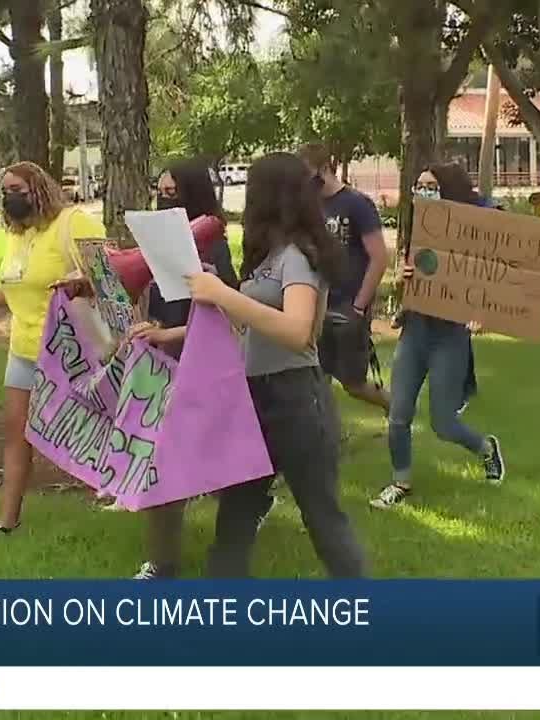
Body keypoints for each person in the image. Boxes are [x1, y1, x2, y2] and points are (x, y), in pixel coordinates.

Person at [184, 152, 366, 578]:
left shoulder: (298, 257)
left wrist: (226, 295)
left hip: (296, 400)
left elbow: (298, 331)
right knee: (235, 518)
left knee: (322, 517)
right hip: (257, 399)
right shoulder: (270, 257)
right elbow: (250, 326)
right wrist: (209, 297)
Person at [0, 162, 105, 543]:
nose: (10, 197)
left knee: (98, 426)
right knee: (16, 432)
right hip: (23, 349)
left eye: (17, 188)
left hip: (71, 351)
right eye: (5, 190)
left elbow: (109, 278)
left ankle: (130, 491)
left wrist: (82, 284)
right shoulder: (17, 235)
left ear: (39, 188)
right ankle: (6, 522)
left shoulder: (73, 223)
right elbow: (18, 289)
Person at [123, 158, 248, 580]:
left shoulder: (212, 246)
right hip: (161, 366)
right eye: (159, 189)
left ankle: (169, 561)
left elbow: (224, 315)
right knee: (162, 466)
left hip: (197, 368)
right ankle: (163, 562)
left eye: (172, 192)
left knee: (193, 465)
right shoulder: (157, 243)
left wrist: (168, 335)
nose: (163, 197)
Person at [370, 164, 506, 511]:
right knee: (398, 414)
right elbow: (411, 280)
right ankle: (400, 481)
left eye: (431, 186)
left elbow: (493, 279)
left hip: (450, 337)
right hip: (416, 332)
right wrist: (403, 278)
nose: (422, 191)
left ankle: (486, 448)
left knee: (443, 424)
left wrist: (483, 312)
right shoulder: (419, 231)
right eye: (419, 186)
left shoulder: (473, 237)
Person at [297, 143, 391, 413]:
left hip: (348, 306)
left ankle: (396, 408)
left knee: (353, 382)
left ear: (324, 169)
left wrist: (359, 307)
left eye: (307, 173)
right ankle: (327, 435)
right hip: (316, 304)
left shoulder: (357, 204)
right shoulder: (309, 207)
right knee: (316, 377)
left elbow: (379, 258)